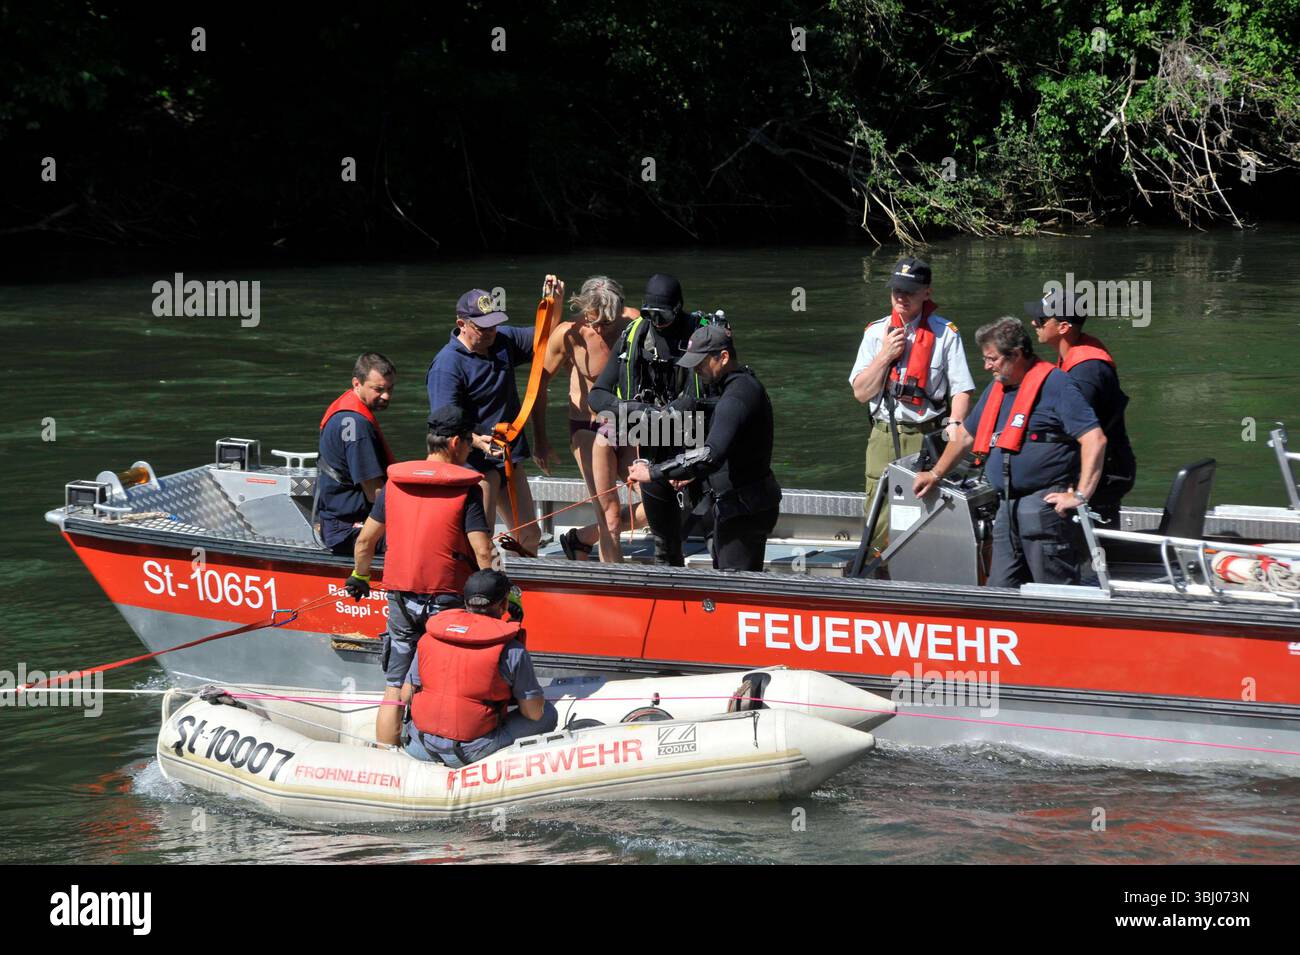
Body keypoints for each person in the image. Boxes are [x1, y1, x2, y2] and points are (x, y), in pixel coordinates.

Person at [344, 403, 497, 746]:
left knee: (395, 684)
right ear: (456, 442)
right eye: (469, 443)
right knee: (439, 681)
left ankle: (386, 754)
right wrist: (502, 593)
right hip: (447, 601)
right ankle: (435, 753)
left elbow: (366, 540)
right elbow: (483, 550)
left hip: (400, 596)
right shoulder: (466, 490)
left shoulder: (395, 485)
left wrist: (360, 577)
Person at [913, 317, 1106, 587]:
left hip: (1045, 510)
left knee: (1054, 594)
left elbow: (1095, 439)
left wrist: (1081, 495)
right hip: (1006, 510)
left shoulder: (1057, 384)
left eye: (992, 359)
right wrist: (935, 473)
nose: (986, 365)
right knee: (999, 592)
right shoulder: (998, 389)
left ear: (1015, 355)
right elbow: (967, 435)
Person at [848, 257, 975, 560]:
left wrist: (955, 423)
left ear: (926, 293)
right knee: (878, 514)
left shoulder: (946, 334)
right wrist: (884, 356)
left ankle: (925, 575)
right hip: (883, 435)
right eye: (896, 291)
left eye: (909, 291)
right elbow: (861, 393)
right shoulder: (875, 334)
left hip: (926, 435)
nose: (901, 297)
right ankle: (875, 574)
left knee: (927, 511)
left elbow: (962, 389)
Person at [627, 324, 781, 572]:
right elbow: (728, 448)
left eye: (701, 362)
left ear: (723, 357)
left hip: (745, 510)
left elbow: (711, 455)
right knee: (725, 580)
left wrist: (654, 472)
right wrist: (687, 474)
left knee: (735, 590)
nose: (696, 370)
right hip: (733, 503)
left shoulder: (737, 396)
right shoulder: (728, 388)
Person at [589, 273, 709, 566]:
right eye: (649, 314)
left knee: (712, 531)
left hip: (697, 448)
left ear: (679, 308)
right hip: (654, 450)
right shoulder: (635, 336)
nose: (656, 322)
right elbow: (597, 395)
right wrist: (630, 409)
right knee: (664, 543)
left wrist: (666, 416)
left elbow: (702, 395)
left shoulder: (701, 337)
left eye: (663, 315)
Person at [533, 275, 644, 562]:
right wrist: (541, 441)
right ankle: (615, 587)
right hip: (589, 427)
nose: (599, 328)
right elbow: (538, 386)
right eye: (594, 321)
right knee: (610, 519)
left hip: (628, 424)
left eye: (607, 322)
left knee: (661, 500)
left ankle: (581, 538)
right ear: (583, 309)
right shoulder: (570, 334)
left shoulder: (634, 323)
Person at [426, 286, 544, 555]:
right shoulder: (447, 365)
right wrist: (478, 441)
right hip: (473, 462)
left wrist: (554, 302)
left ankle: (517, 593)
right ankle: (474, 592)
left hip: (508, 456)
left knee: (529, 534)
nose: (491, 332)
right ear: (461, 324)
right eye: (483, 327)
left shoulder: (501, 341)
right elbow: (443, 424)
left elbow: (547, 337)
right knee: (482, 541)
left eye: (494, 325)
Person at [401, 569, 558, 767]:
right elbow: (533, 713)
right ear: (504, 605)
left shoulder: (429, 637)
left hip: (420, 746)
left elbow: (406, 695)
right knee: (548, 714)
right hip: (468, 753)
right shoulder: (512, 650)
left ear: (465, 602)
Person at [1030, 293, 1136, 526]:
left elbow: (1089, 437)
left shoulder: (1086, 373)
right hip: (1105, 470)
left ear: (1063, 327)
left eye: (1041, 319)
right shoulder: (1079, 352)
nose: (1034, 323)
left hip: (1103, 476)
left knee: (1096, 551)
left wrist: (1078, 493)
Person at [317, 353, 396, 556]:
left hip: (335, 522)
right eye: (378, 389)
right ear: (356, 383)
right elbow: (375, 493)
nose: (386, 396)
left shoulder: (344, 410)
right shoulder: (357, 425)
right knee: (425, 538)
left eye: (389, 389)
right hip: (347, 531)